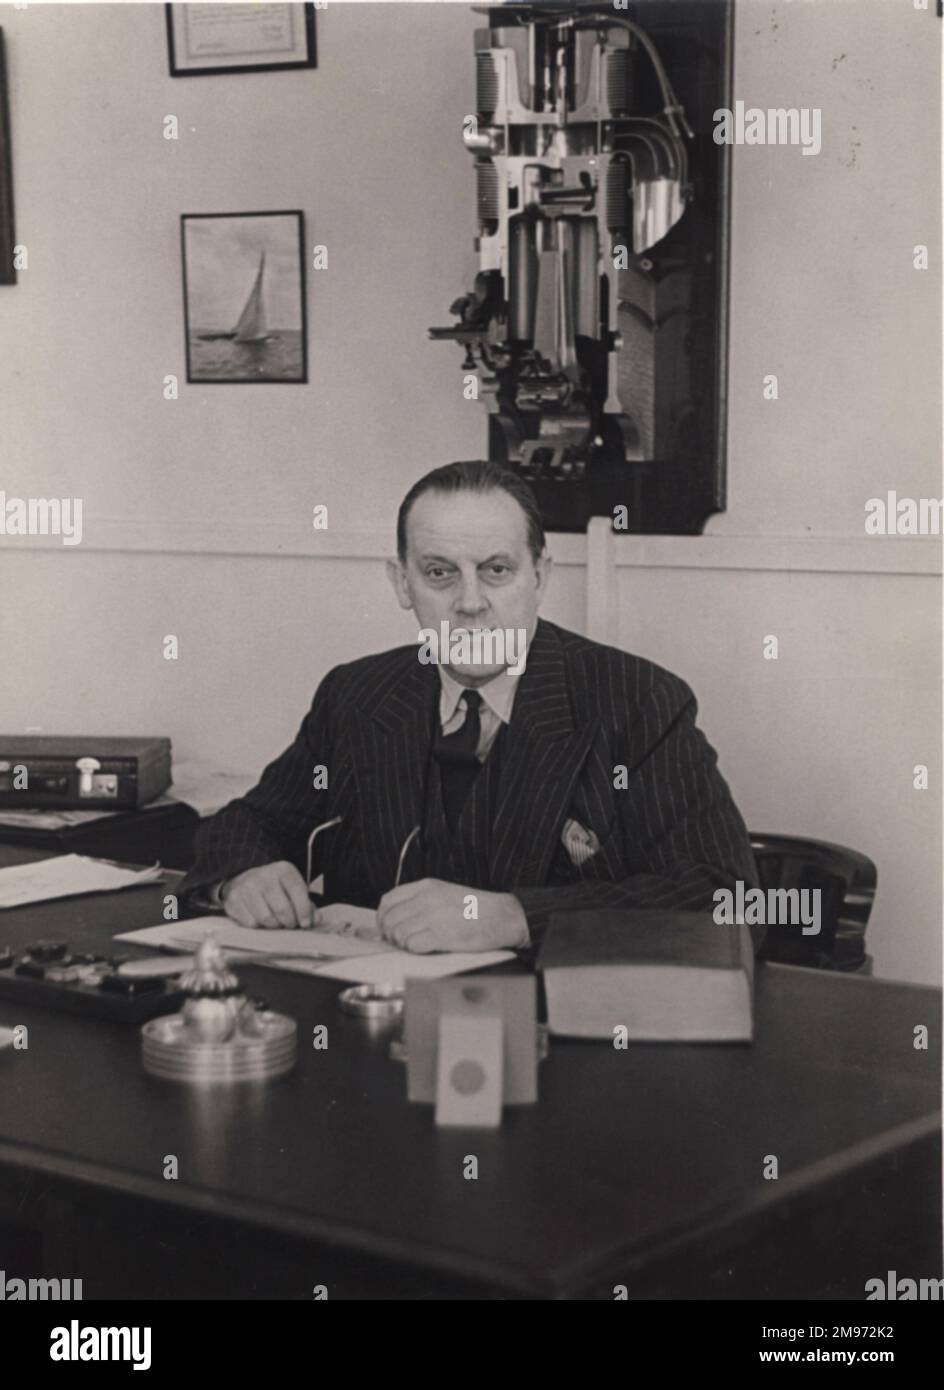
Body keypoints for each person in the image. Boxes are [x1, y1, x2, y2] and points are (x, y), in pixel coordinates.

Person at [179, 460, 758, 952]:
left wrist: (513, 917)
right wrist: (244, 876)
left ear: (540, 577)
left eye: (496, 570)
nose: (470, 603)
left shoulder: (637, 703)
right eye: (439, 574)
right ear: (401, 584)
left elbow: (730, 901)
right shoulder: (358, 695)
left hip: (559, 1045)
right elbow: (250, 823)